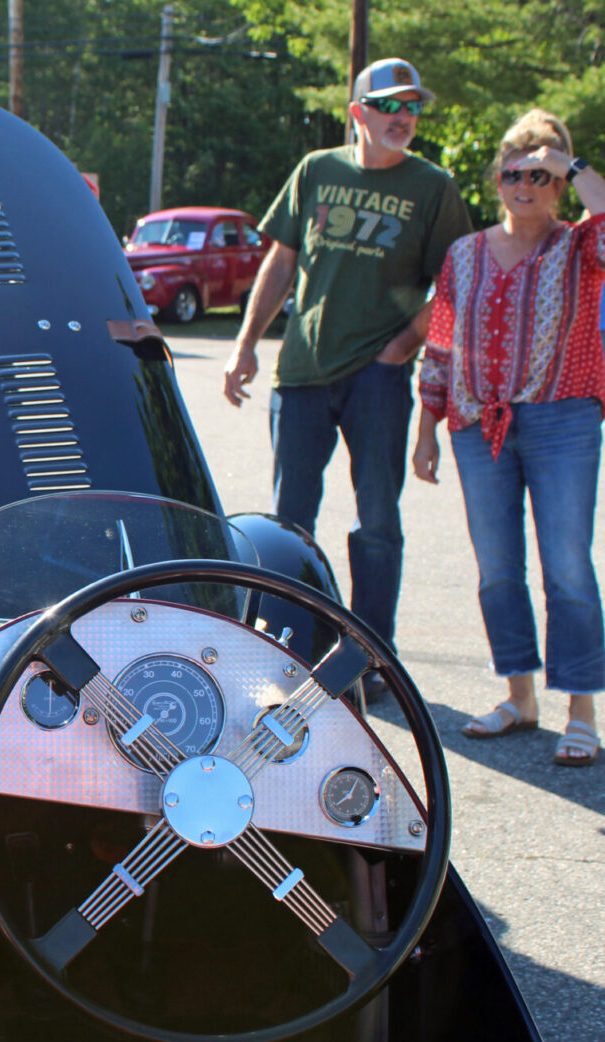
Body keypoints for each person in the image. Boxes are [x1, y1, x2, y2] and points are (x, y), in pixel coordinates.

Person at [223, 58, 472, 699]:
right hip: (302, 370)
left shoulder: (433, 187)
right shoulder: (316, 171)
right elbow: (281, 263)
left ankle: (370, 657)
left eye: (413, 108)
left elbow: (455, 284)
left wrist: (400, 347)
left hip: (377, 379)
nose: (404, 118)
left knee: (377, 520)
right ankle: (285, 649)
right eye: (390, 106)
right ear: (358, 112)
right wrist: (245, 344)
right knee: (290, 523)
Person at [413, 110, 605, 766]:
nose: (522, 184)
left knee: (567, 568)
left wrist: (573, 167)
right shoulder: (463, 253)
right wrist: (425, 430)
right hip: (473, 424)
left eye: (538, 174)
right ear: (494, 178)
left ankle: (580, 707)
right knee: (497, 570)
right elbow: (439, 345)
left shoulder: (580, 247)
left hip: (561, 420)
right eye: (511, 171)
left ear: (557, 184)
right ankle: (519, 696)